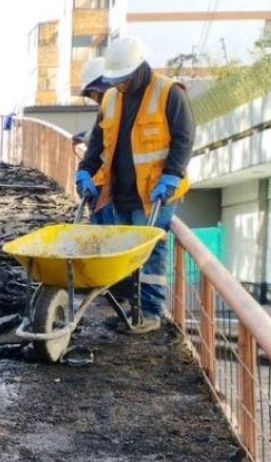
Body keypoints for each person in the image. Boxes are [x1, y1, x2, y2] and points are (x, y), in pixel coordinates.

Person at [75, 37, 194, 334]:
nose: (122, 85)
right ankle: (132, 311)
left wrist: (173, 174)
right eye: (117, 80)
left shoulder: (168, 92)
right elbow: (98, 143)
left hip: (154, 192)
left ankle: (151, 313)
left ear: (140, 68)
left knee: (150, 252)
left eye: (125, 78)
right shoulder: (111, 98)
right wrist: (85, 171)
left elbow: (184, 137)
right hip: (121, 191)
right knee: (124, 253)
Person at [73, 57, 116, 226]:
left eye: (94, 93)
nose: (93, 98)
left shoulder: (125, 105)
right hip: (103, 182)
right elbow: (98, 139)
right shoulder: (106, 109)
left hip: (122, 189)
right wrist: (84, 171)